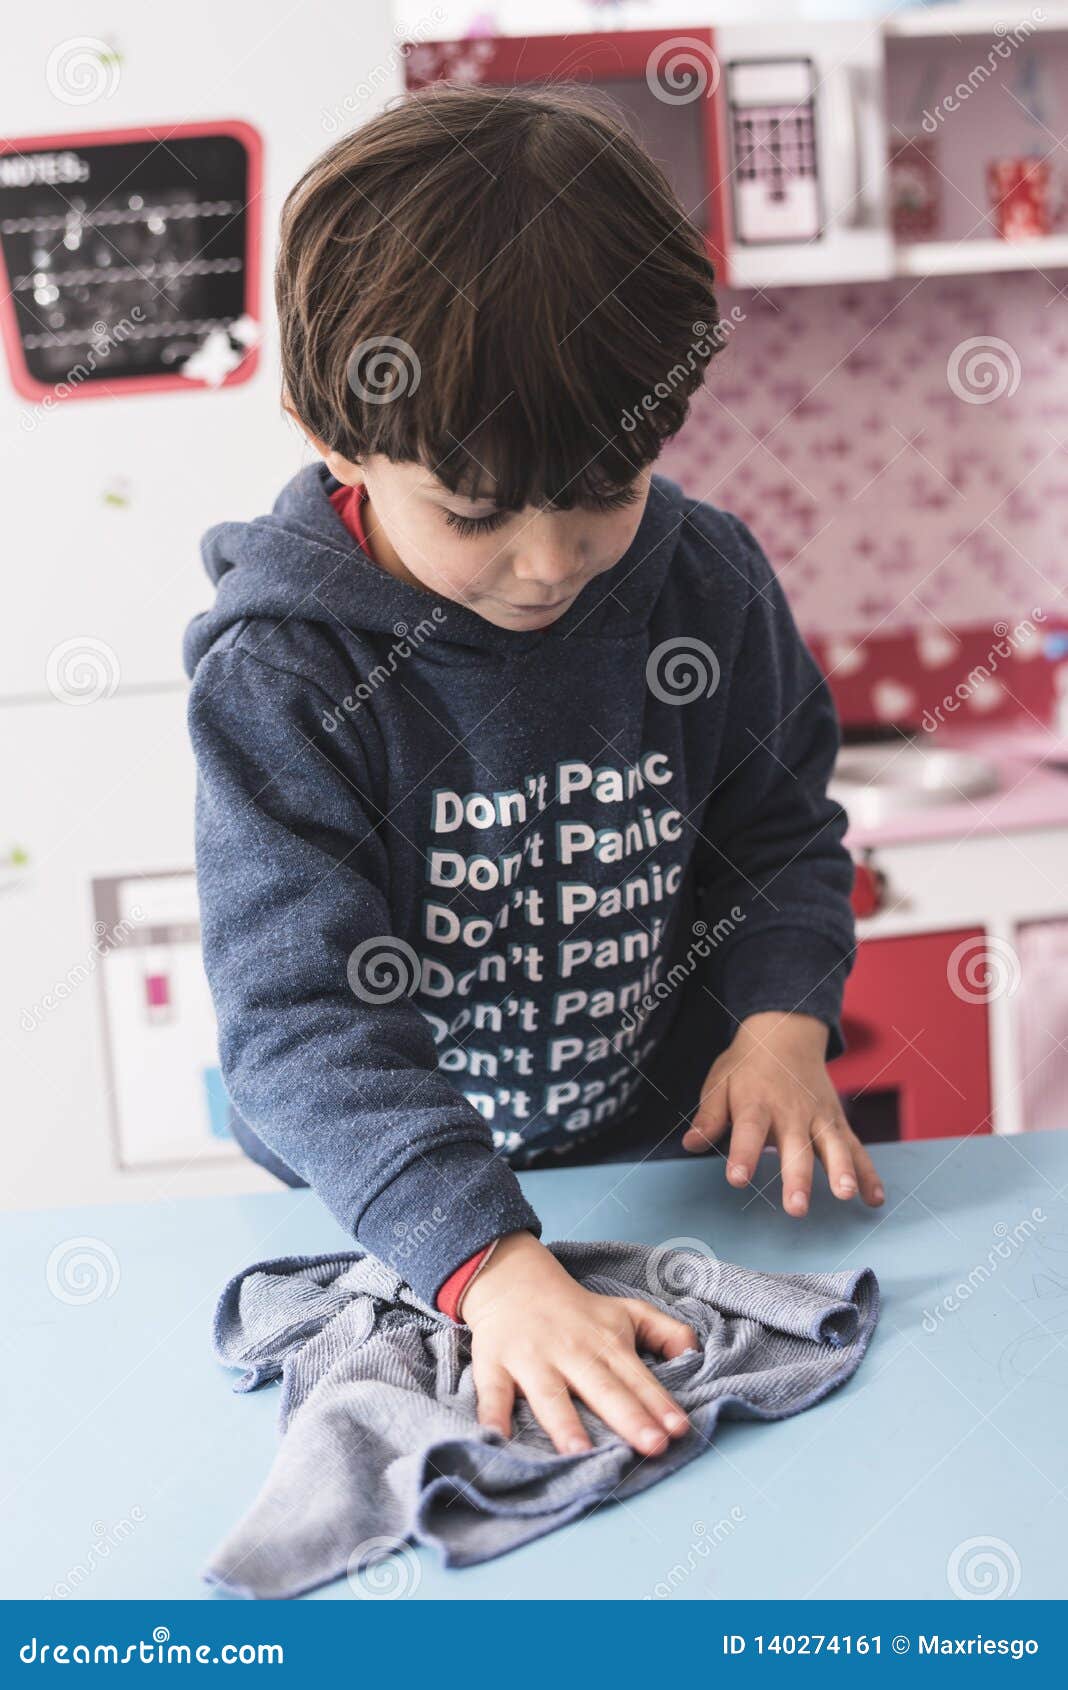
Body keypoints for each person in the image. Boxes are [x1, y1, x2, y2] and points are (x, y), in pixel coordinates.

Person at [184, 83, 882, 1466]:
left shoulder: (705, 581)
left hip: (660, 1173)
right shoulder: (284, 673)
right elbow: (302, 1021)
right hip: (387, 1218)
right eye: (475, 512)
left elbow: (779, 834)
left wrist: (780, 1017)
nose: (551, 562)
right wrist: (489, 1261)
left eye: (604, 493)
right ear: (334, 431)